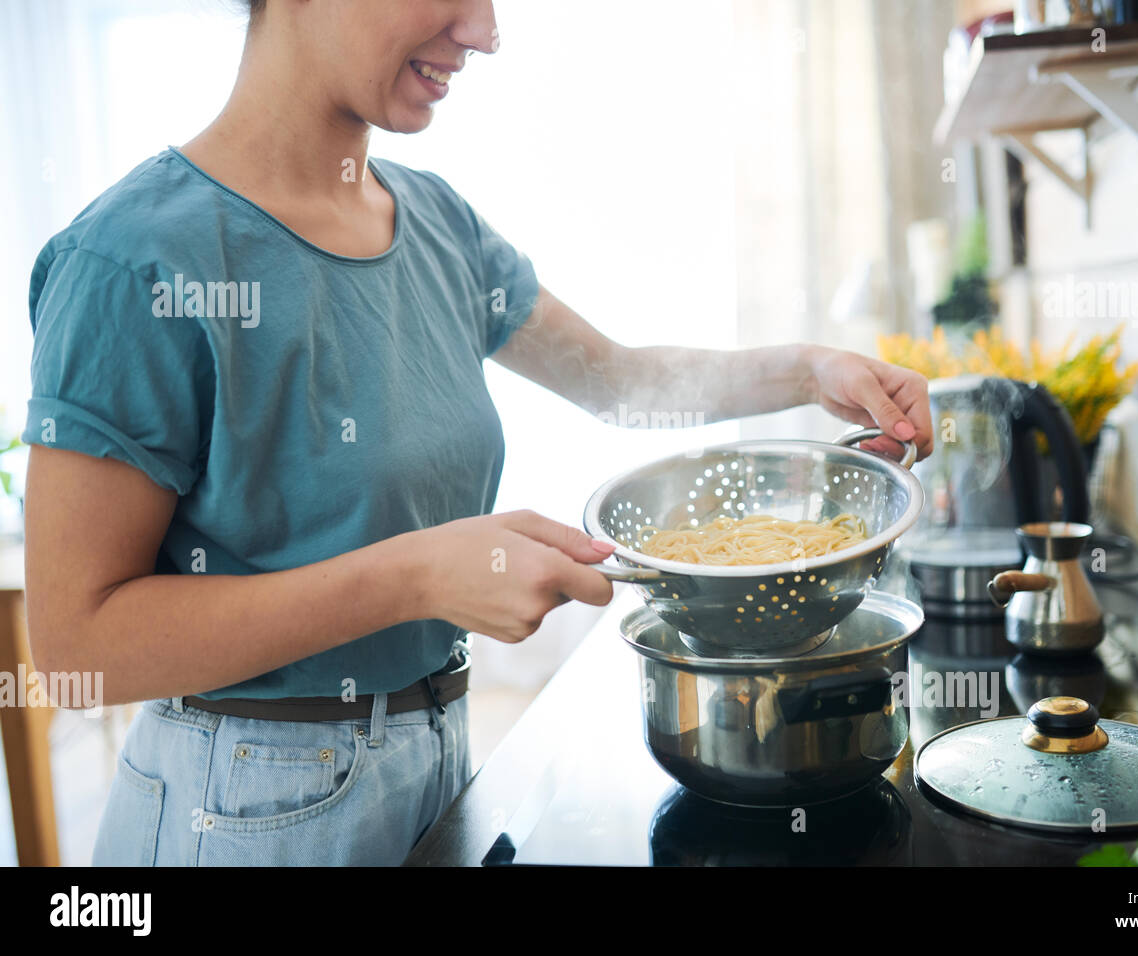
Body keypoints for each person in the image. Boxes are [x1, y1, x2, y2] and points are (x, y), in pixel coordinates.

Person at [22, 0, 934, 866]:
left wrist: (811, 370)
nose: (487, 31)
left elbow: (617, 381)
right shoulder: (133, 259)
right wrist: (419, 576)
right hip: (236, 812)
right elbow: (75, 648)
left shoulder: (434, 223)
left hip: (435, 760)